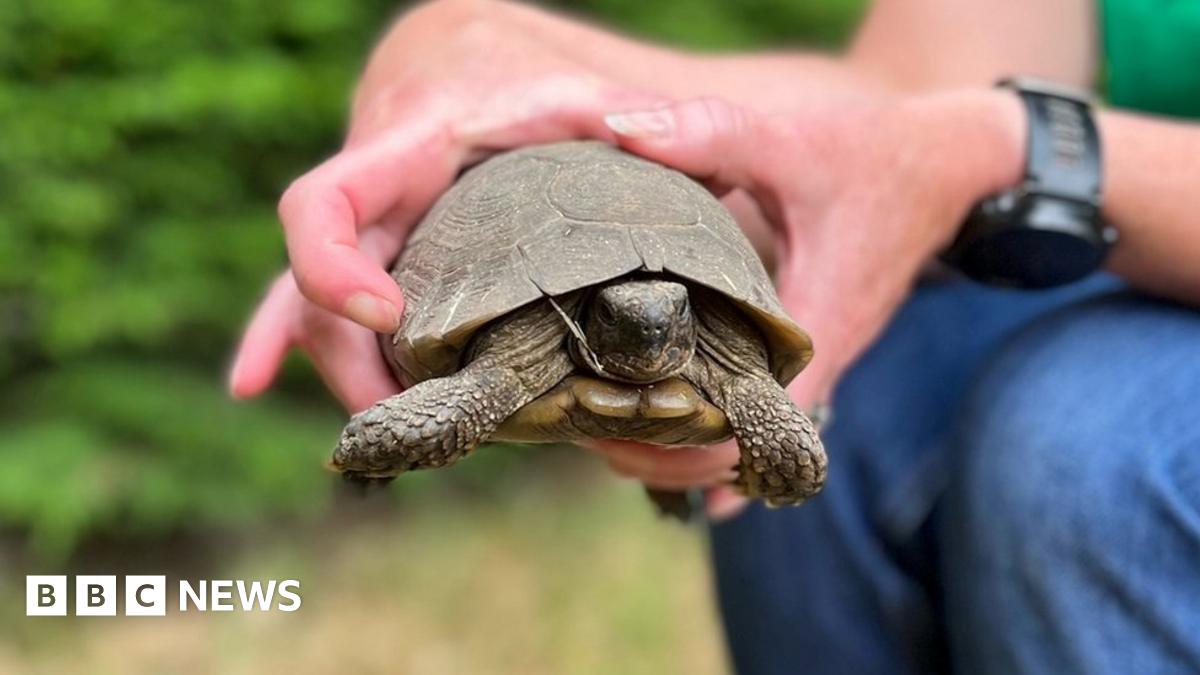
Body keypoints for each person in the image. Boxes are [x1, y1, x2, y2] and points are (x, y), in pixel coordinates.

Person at [229, 1, 1200, 672]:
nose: (655, 335)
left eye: (673, 321)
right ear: (589, 319)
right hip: (1093, 255)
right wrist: (495, 42)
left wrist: (1011, 149)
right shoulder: (539, 337)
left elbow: (951, 133)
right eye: (627, 320)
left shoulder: (699, 345)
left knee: (1079, 435)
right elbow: (907, 89)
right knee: (857, 415)